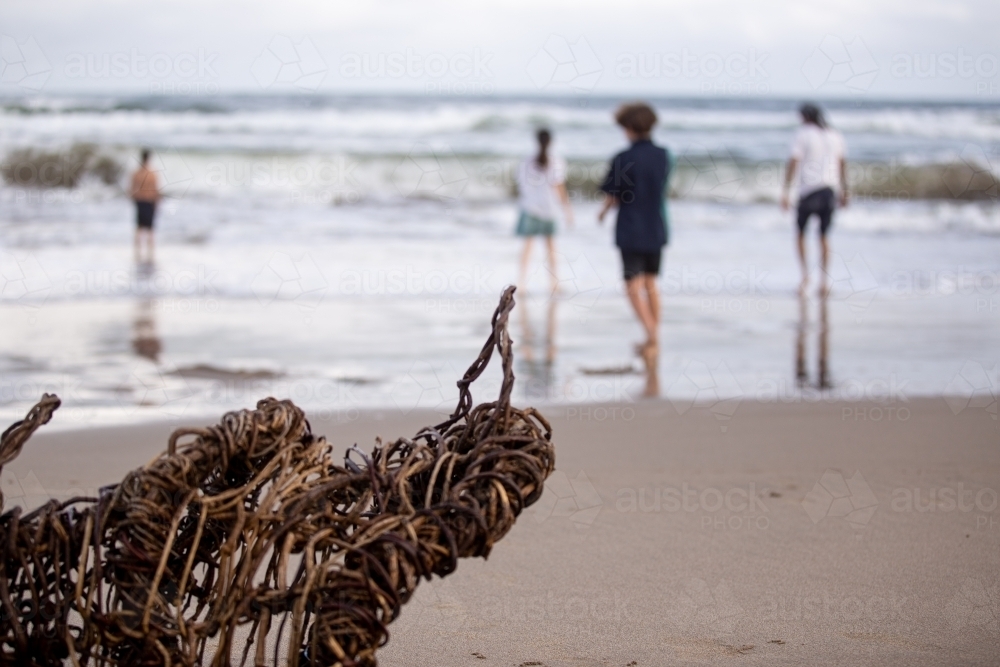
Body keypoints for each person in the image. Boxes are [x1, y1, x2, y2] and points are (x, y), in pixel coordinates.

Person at [598, 102, 670, 357]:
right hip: (656, 225)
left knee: (631, 285)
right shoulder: (663, 155)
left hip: (630, 228)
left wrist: (603, 212)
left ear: (629, 127)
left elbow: (613, 195)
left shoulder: (623, 158)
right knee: (651, 282)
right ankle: (653, 337)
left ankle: (650, 333)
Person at [781, 103, 848, 295]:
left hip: (808, 190)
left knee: (801, 234)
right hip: (829, 190)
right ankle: (824, 282)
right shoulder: (835, 135)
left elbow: (793, 161)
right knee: (824, 236)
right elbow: (842, 163)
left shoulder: (803, 134)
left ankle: (805, 277)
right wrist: (845, 190)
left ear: (805, 117)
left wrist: (786, 190)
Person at [516, 128, 574, 293]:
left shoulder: (526, 162)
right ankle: (554, 283)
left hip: (530, 207)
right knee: (551, 248)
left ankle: (521, 283)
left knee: (527, 246)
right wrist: (567, 209)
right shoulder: (556, 162)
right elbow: (559, 187)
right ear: (551, 142)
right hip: (549, 209)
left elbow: (521, 184)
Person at [130, 148, 161, 263]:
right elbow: (156, 190)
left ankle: (137, 252)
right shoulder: (152, 173)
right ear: (149, 158)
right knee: (150, 229)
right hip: (149, 201)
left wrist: (135, 200)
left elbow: (132, 190)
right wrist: (157, 203)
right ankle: (150, 253)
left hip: (139, 201)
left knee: (138, 228)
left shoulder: (136, 173)